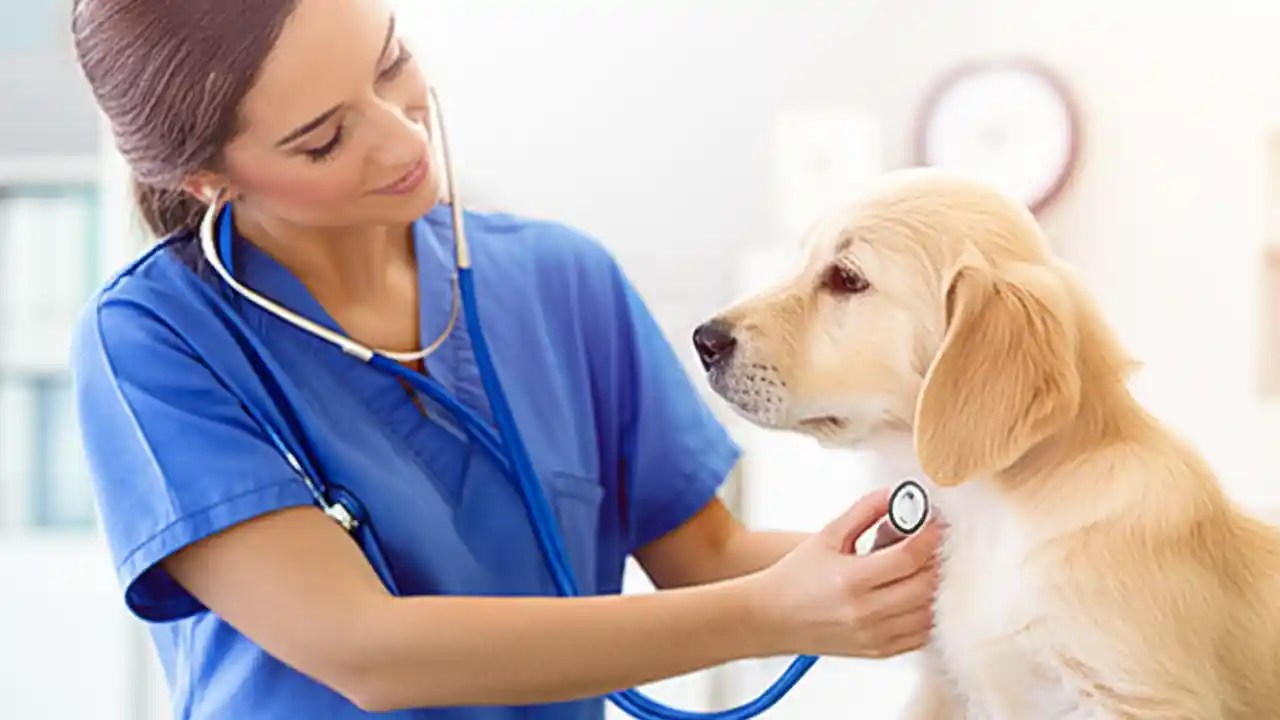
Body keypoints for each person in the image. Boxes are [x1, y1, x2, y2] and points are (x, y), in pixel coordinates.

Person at [68, 1, 942, 718]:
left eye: (390, 64)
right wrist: (772, 614)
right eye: (325, 139)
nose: (403, 141)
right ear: (208, 180)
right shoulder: (155, 340)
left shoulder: (563, 281)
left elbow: (711, 557)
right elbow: (364, 653)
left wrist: (981, 564)